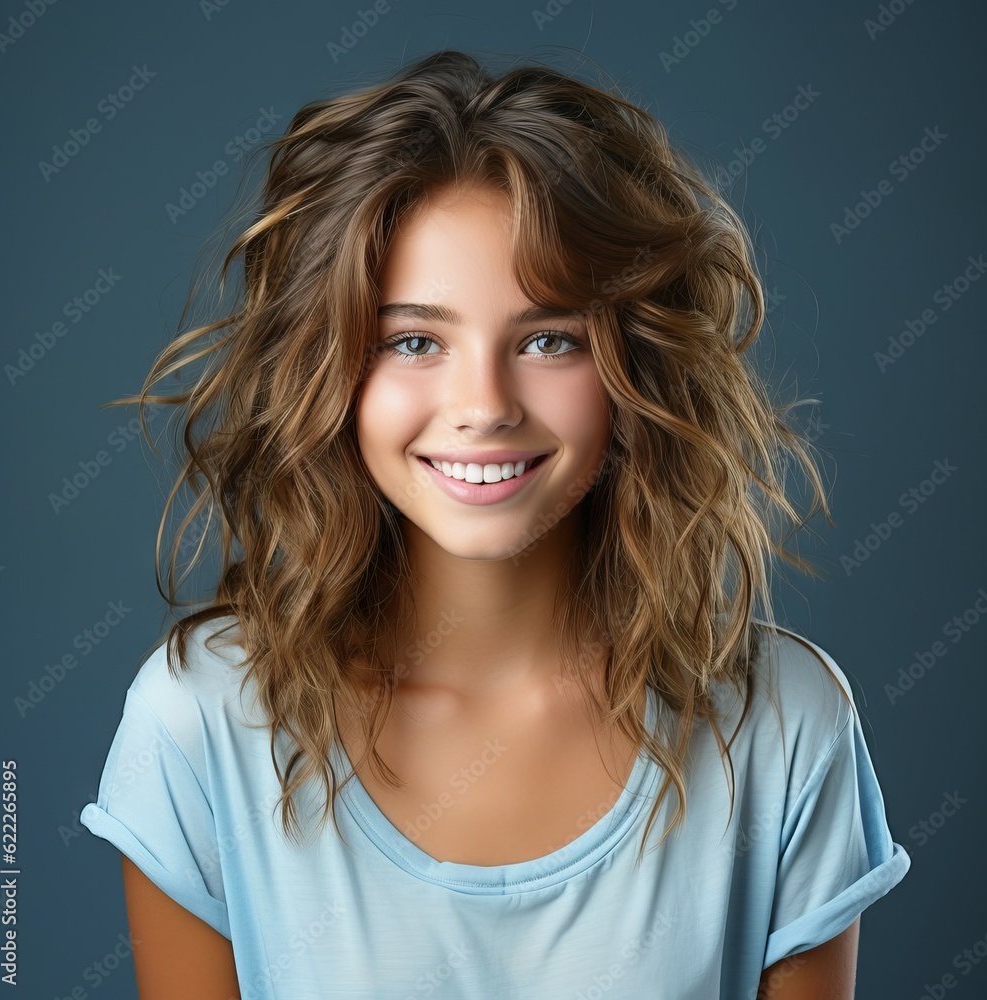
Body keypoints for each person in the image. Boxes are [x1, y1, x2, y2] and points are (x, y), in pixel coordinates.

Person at [79, 49, 911, 999]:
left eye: (550, 339)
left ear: (636, 369)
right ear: (328, 369)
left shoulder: (785, 725)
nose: (484, 404)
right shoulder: (199, 722)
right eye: (414, 341)